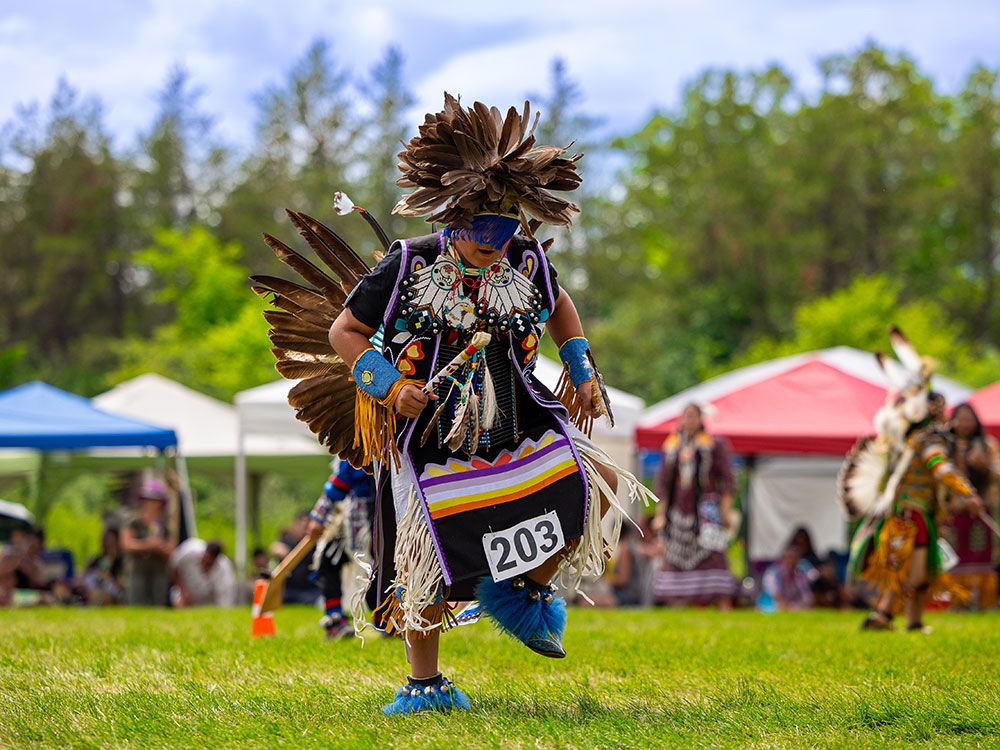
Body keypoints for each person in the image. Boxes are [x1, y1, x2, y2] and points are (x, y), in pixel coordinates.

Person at [256, 94, 656, 715]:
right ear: (456, 216)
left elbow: (561, 308)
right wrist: (390, 386)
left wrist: (582, 373)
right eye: (482, 231)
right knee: (428, 558)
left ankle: (520, 587)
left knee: (598, 481)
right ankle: (425, 683)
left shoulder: (525, 258)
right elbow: (343, 332)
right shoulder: (409, 264)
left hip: (518, 415)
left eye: (507, 228)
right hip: (432, 432)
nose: (495, 243)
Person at [841, 328, 982, 632]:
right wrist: (966, 491)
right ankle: (882, 615)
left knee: (922, 572)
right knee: (908, 571)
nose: (944, 413)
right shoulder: (929, 438)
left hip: (917, 512)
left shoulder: (919, 437)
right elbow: (939, 467)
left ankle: (913, 621)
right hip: (911, 513)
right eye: (939, 408)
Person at [652, 404, 737, 609]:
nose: (689, 420)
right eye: (685, 416)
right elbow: (663, 483)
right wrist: (660, 514)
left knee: (714, 551)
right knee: (675, 555)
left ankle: (722, 602)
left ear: (700, 419)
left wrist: (725, 510)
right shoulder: (672, 445)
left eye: (693, 416)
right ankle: (679, 603)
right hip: (678, 508)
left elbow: (727, 480)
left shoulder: (713, 444)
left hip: (706, 507)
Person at [305, 460, 376, 639]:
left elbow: (339, 484)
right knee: (329, 560)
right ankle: (335, 620)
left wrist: (318, 517)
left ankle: (389, 620)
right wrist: (318, 518)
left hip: (373, 520)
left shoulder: (365, 440)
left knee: (380, 570)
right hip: (353, 521)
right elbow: (338, 486)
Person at [945, 403, 1000, 609]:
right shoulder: (945, 446)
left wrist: (984, 465)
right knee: (956, 556)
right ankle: (958, 601)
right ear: (953, 422)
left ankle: (983, 602)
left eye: (969, 418)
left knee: (980, 554)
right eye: (961, 418)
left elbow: (998, 473)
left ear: (976, 421)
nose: (965, 423)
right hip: (955, 511)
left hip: (981, 510)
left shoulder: (988, 445)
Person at [120, 479, 175, 606]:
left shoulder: (164, 526)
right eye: (149, 499)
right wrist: (148, 544)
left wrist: (160, 547)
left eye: (155, 500)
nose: (151, 503)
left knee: (158, 603)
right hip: (138, 570)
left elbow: (171, 549)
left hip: (159, 571)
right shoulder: (134, 522)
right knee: (136, 602)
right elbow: (127, 544)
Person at [168, 538, 237, 607]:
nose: (204, 565)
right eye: (204, 561)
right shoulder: (188, 551)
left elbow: (224, 599)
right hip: (183, 591)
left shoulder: (225, 571)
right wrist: (183, 590)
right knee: (177, 598)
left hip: (207, 601)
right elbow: (174, 568)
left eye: (209, 564)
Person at [270, 512, 320, 605]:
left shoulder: (315, 545)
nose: (304, 530)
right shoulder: (287, 541)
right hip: (289, 590)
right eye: (302, 526)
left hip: (309, 590)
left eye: (307, 527)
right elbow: (275, 547)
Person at [758, 541, 815, 612]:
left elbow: (806, 594)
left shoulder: (800, 574)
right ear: (783, 558)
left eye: (795, 558)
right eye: (790, 557)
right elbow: (774, 594)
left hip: (792, 605)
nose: (792, 561)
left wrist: (804, 604)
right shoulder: (773, 572)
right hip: (771, 604)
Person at [0, 527, 46, 606]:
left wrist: (25, 565)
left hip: (24, 594)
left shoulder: (36, 563)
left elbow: (38, 581)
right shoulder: (8, 556)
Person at [81, 528, 125, 605]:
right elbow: (85, 576)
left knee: (102, 596)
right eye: (106, 539)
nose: (108, 543)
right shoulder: (96, 559)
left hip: (113, 589)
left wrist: (111, 579)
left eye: (111, 540)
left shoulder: (122, 560)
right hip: (94, 588)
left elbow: (123, 582)